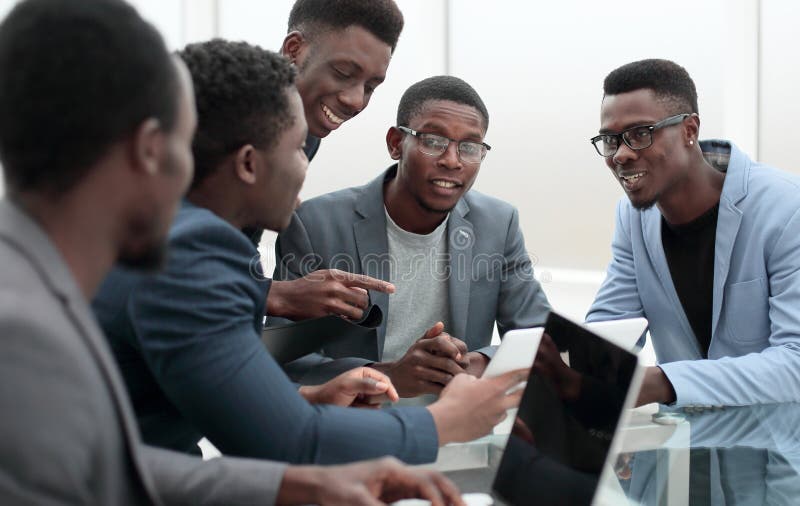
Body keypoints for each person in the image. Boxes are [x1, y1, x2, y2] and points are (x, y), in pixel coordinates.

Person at [0, 1, 468, 504]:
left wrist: (297, 442)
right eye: (186, 144)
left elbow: (111, 458)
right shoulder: (32, 331)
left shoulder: (39, 279)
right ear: (150, 149)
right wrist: (448, 420)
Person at [92, 39, 527, 463]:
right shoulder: (195, 252)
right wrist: (443, 423)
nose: (305, 171)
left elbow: (234, 404)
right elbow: (290, 439)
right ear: (249, 163)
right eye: (300, 149)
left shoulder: (172, 235)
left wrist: (310, 400)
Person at [274, 75, 551, 395]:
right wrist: (387, 376)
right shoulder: (314, 224)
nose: (452, 161)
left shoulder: (498, 223)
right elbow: (282, 360)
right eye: (433, 141)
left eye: (469, 147)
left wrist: (470, 364)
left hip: (455, 415)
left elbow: (540, 338)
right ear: (396, 143)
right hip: (353, 417)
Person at [585, 59, 800, 407]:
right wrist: (559, 363)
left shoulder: (788, 208)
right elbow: (611, 328)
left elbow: (795, 364)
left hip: (776, 438)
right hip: (683, 438)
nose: (621, 154)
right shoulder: (632, 216)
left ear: (689, 130)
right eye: (610, 140)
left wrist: (663, 382)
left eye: (640, 134)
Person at [258, 0, 406, 322]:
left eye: (370, 87)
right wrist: (274, 294)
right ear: (294, 50)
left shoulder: (305, 132)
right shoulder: (218, 119)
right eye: (343, 73)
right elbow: (164, 257)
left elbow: (233, 251)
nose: (355, 100)